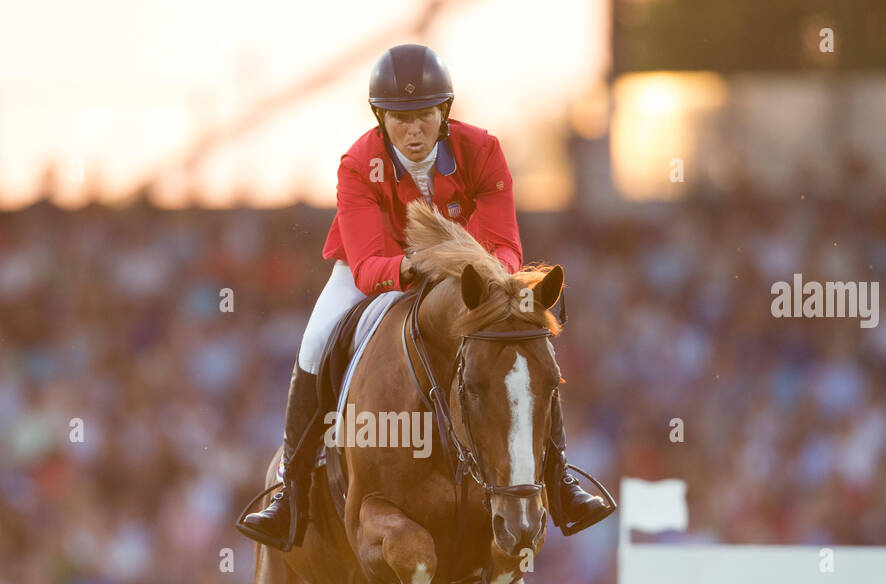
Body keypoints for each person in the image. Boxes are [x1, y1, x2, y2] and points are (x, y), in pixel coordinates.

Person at [237, 43, 614, 551]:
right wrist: (414, 266)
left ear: (445, 113)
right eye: (400, 120)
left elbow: (505, 245)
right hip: (379, 268)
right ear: (381, 120)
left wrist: (482, 279)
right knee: (315, 341)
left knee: (526, 340)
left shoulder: (483, 150)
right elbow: (369, 268)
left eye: (425, 117)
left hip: (465, 273)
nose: (414, 132)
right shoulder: (358, 164)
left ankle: (559, 479)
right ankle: (290, 486)